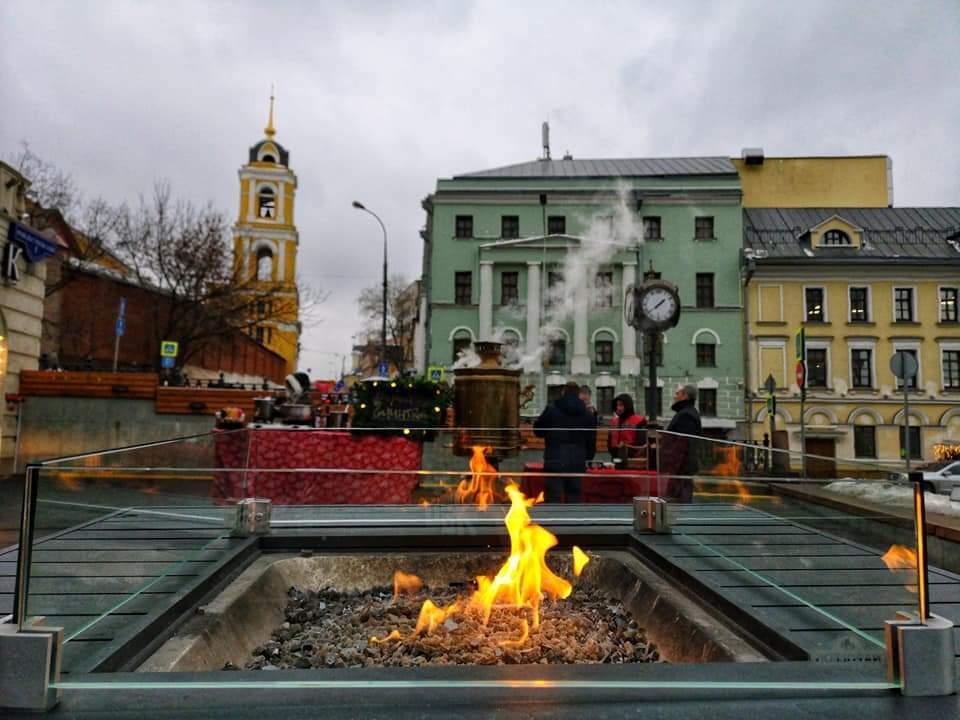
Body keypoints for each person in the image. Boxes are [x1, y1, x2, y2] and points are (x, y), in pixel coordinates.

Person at [533, 381, 597, 503]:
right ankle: (572, 521)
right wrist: (588, 457)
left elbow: (538, 431)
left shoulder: (552, 409)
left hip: (554, 459)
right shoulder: (587, 414)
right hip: (577, 461)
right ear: (578, 394)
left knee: (553, 497)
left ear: (563, 393)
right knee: (574, 496)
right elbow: (591, 439)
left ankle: (554, 521)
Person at [660, 384, 702, 502]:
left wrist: (672, 464)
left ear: (685, 396)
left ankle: (682, 519)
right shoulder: (687, 412)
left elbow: (682, 445)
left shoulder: (686, 415)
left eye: (677, 393)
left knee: (679, 500)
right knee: (679, 499)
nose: (675, 396)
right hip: (682, 467)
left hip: (681, 468)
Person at [608, 393, 647, 462]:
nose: (618, 408)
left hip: (633, 460)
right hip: (615, 459)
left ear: (627, 406)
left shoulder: (639, 421)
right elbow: (609, 441)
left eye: (621, 405)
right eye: (617, 405)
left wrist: (625, 448)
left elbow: (641, 442)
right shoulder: (614, 421)